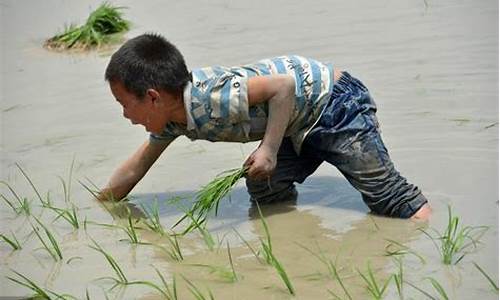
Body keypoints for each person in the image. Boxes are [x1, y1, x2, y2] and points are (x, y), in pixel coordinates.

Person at [98, 33, 431, 220]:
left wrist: (269, 149)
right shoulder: (172, 119)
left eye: (125, 104)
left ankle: (426, 230)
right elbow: (139, 164)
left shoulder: (210, 97)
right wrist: (101, 204)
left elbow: (282, 87)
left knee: (390, 199)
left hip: (334, 106)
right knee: (264, 188)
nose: (126, 115)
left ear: (153, 98)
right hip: (292, 120)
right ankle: (293, 234)